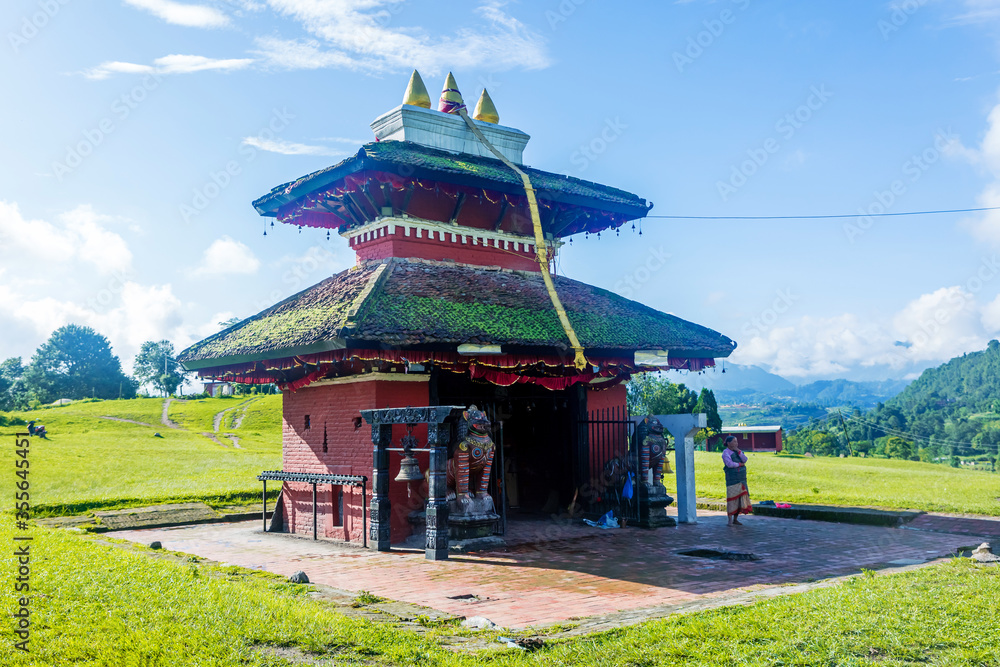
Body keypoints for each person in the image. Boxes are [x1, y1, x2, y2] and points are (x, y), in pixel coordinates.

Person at [722, 435, 751, 525]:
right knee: (732, 500)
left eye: (736, 442)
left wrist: (739, 451)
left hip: (741, 479)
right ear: (728, 443)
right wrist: (740, 465)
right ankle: (730, 519)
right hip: (732, 479)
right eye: (734, 442)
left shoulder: (738, 452)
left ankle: (736, 519)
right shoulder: (725, 453)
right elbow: (729, 464)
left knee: (740, 499)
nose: (736, 443)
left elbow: (745, 459)